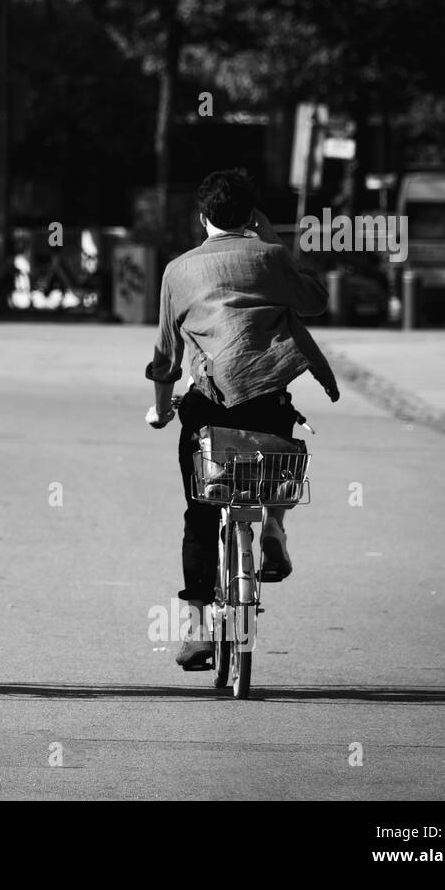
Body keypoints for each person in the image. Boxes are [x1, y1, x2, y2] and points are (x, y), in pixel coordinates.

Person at [144, 169, 340, 670]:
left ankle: (195, 629)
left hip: (207, 408)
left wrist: (162, 408)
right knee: (273, 466)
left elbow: (166, 357)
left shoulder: (178, 270)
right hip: (267, 403)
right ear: (253, 217)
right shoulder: (271, 258)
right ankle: (274, 526)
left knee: (200, 513)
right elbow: (316, 302)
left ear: (201, 216)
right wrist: (274, 244)